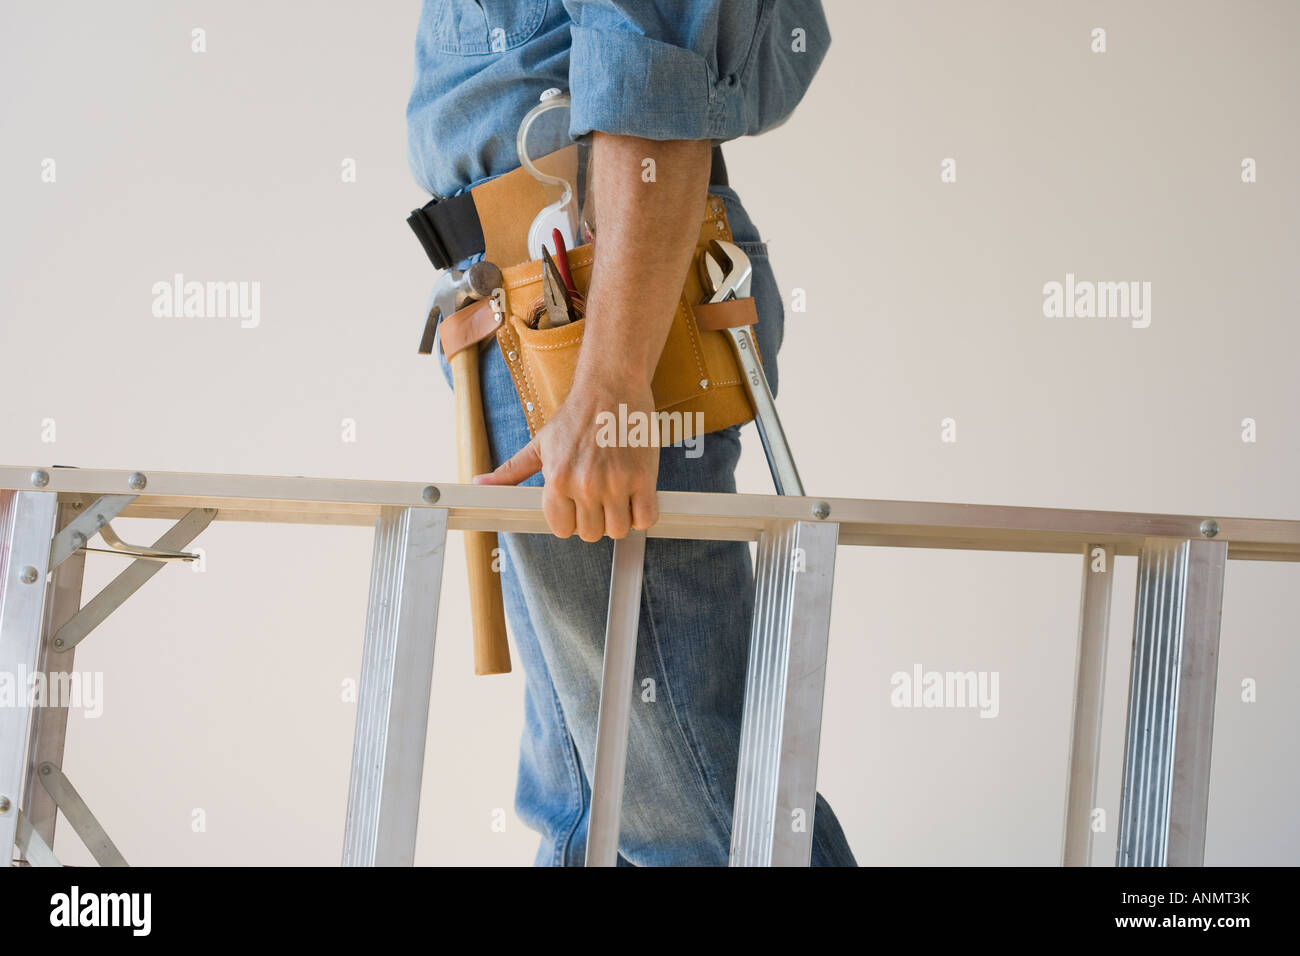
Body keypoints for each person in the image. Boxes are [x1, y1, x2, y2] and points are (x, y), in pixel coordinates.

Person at [407, 0, 855, 866]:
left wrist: (609, 379)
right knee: (587, 801)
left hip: (588, 307)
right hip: (526, 296)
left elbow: (648, 63)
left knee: (697, 797)